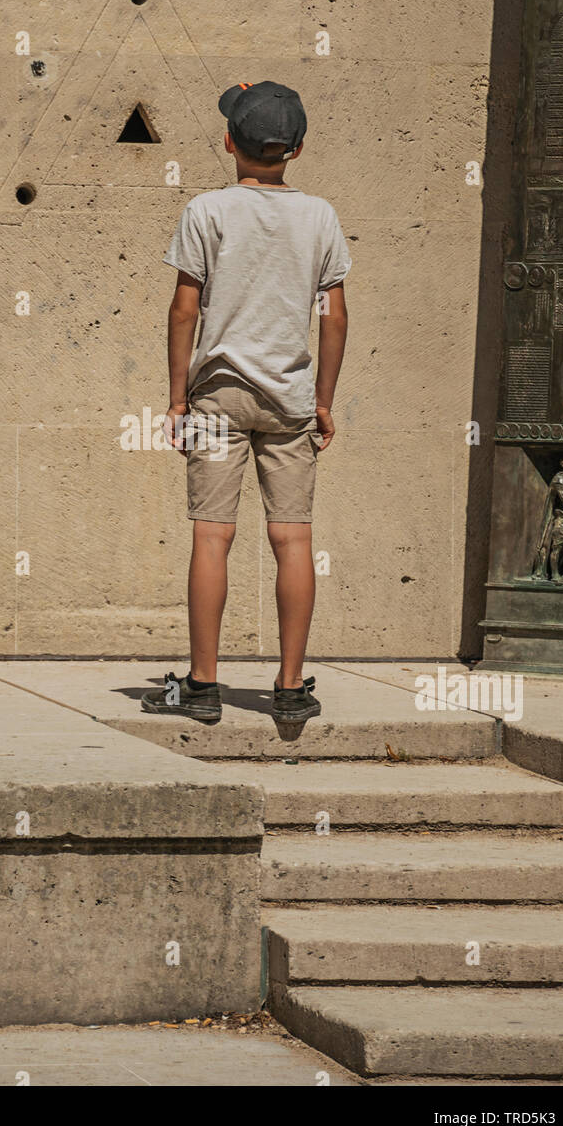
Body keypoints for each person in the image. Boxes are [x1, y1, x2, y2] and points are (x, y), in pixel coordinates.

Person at [141, 81, 350, 728]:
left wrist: (177, 400)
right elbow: (334, 318)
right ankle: (289, 689)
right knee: (292, 539)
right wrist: (322, 401)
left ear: (228, 141)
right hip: (288, 399)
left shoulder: (205, 210)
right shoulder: (320, 216)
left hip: (217, 395)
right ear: (298, 148)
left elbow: (184, 310)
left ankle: (202, 686)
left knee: (212, 536)